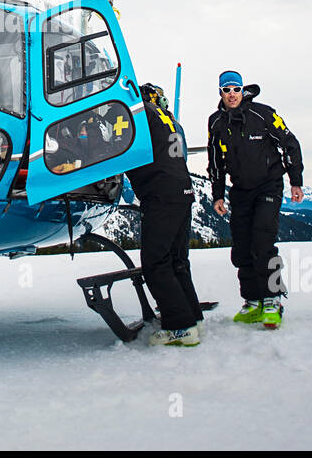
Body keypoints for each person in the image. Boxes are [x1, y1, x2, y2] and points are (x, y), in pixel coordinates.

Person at [208, 71, 303, 329]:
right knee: (241, 247)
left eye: (235, 88)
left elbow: (290, 143)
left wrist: (296, 180)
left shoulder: (263, 114)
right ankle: (252, 301)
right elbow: (215, 162)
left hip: (268, 186)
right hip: (239, 190)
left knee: (263, 241)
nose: (231, 94)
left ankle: (272, 300)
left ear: (242, 90)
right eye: (226, 89)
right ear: (220, 92)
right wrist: (218, 194)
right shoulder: (216, 122)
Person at [127, 83, 204, 346]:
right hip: (183, 191)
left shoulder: (141, 114)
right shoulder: (170, 121)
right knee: (177, 260)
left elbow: (118, 143)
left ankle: (180, 326)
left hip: (160, 195)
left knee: (156, 263)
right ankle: (193, 318)